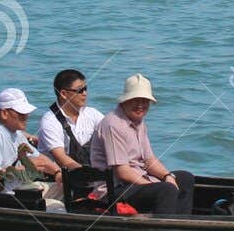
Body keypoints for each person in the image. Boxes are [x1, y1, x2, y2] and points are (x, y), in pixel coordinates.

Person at [90, 74, 194, 215]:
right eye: (136, 100)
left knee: (185, 178)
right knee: (166, 190)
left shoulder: (139, 122)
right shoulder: (113, 124)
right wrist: (155, 185)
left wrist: (167, 176)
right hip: (114, 190)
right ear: (125, 100)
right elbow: (123, 172)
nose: (140, 105)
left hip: (136, 181)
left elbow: (149, 160)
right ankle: (164, 227)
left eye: (144, 101)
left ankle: (181, 223)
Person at [0, 88, 62, 203]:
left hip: (19, 188)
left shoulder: (17, 133)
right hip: (0, 196)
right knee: (57, 206)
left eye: (26, 113)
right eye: (21, 114)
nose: (27, 117)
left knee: (66, 189)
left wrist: (57, 172)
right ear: (4, 113)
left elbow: (39, 158)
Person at [37, 68, 104, 172]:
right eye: (80, 90)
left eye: (85, 89)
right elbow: (61, 159)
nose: (85, 93)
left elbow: (111, 133)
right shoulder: (49, 121)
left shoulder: (92, 114)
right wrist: (90, 175)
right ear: (63, 94)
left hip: (88, 170)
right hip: (60, 175)